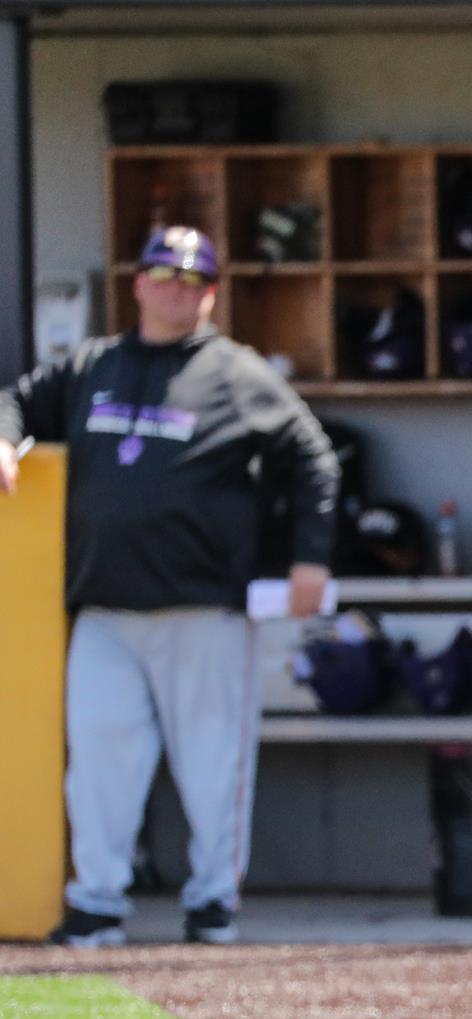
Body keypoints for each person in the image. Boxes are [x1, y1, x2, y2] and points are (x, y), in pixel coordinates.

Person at [0, 226, 340, 946]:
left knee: (214, 767)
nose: (174, 290)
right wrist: (4, 439)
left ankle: (213, 902)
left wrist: (310, 559)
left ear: (210, 292)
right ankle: (96, 902)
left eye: (190, 280)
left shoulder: (237, 372)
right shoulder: (93, 363)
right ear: (138, 283)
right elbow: (17, 404)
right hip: (104, 607)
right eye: (162, 275)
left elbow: (314, 458)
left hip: (203, 606)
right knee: (97, 762)